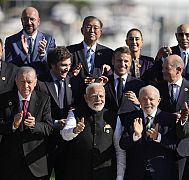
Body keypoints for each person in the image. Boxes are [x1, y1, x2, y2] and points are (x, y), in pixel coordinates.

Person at [0, 66, 53, 179]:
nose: (25, 86)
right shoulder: (4, 99)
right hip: (10, 163)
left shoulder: (44, 99)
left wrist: (35, 125)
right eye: (22, 82)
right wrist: (13, 125)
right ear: (16, 81)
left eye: (29, 82)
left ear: (35, 82)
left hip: (35, 163)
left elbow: (49, 128)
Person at [155, 54, 189, 180]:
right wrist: (169, 116)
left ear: (179, 70)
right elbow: (154, 111)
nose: (163, 71)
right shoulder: (158, 88)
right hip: (162, 144)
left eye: (166, 68)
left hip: (183, 146)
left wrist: (184, 118)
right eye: (162, 68)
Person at [119, 85, 179, 180]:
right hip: (137, 173)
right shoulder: (131, 118)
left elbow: (175, 145)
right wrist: (136, 135)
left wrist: (158, 137)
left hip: (161, 173)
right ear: (139, 100)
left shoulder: (169, 119)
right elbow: (123, 144)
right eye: (144, 99)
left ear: (158, 101)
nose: (148, 103)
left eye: (151, 99)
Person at [60, 83, 118, 180]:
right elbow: (65, 135)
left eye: (101, 96)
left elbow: (118, 147)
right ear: (86, 98)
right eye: (94, 96)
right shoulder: (74, 113)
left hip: (104, 172)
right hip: (79, 172)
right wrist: (75, 130)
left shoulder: (113, 116)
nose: (98, 99)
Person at [36, 46, 75, 179]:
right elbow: (36, 113)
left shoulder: (74, 82)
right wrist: (55, 123)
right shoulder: (40, 83)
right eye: (63, 65)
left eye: (69, 65)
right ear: (52, 65)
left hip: (68, 144)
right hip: (44, 143)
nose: (67, 68)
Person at [5, 6, 56, 75]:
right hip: (21, 83)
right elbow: (9, 68)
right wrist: (24, 54)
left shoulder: (49, 40)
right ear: (21, 21)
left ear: (38, 21)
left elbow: (52, 66)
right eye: (25, 19)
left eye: (32, 19)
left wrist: (42, 54)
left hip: (42, 83)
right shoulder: (11, 41)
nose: (29, 22)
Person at [104, 46, 144, 114]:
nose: (122, 64)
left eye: (126, 61)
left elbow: (144, 110)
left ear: (130, 63)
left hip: (129, 123)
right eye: (119, 61)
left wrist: (138, 104)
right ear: (113, 61)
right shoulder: (104, 82)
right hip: (108, 123)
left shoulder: (138, 84)